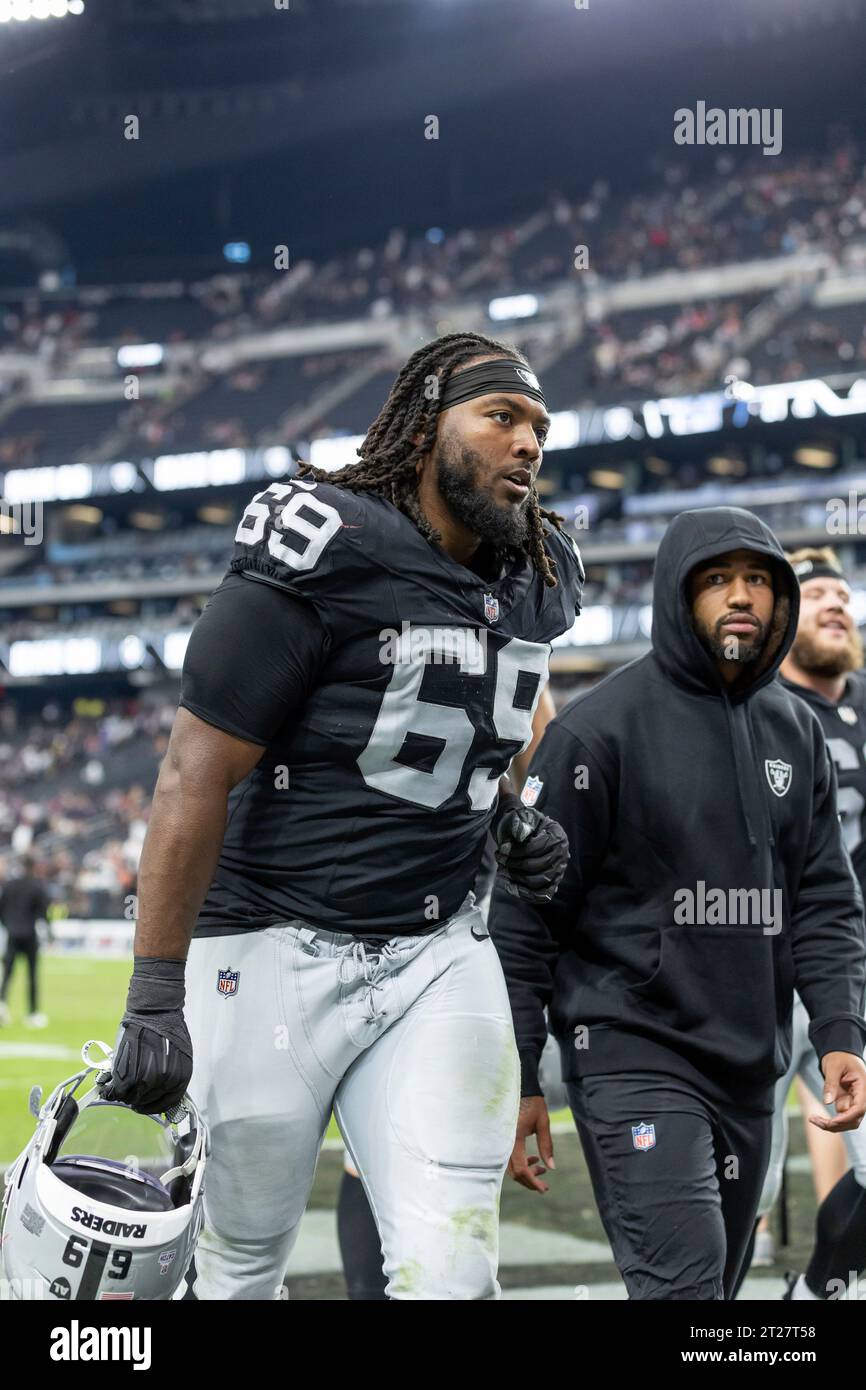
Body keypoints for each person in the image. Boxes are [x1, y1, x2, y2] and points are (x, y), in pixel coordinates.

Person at [100, 332, 585, 1301]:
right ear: (420, 434)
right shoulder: (328, 545)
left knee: (451, 1271)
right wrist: (156, 988)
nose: (527, 442)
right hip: (265, 947)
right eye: (499, 417)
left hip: (435, 946)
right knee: (238, 1269)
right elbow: (195, 770)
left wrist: (507, 808)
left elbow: (498, 692)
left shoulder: (534, 565)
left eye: (537, 425)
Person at [492, 506, 866, 1301]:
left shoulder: (797, 734)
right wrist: (523, 1072)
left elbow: (826, 900)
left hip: (750, 1064)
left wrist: (839, 1032)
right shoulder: (596, 733)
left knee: (713, 1299)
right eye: (717, 579)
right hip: (632, 1052)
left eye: (759, 580)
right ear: (675, 593)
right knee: (684, 1291)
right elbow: (526, 917)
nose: (741, 596)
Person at [337, 683, 559, 1300]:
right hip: (374, 904)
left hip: (460, 914)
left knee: (442, 1146)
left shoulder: (511, 648)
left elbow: (545, 771)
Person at [747, 547, 866, 1300]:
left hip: (843, 968)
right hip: (748, 970)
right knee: (745, 1173)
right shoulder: (750, 708)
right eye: (815, 592)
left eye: (842, 594)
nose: (834, 603)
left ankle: (822, 1285)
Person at [0, 855, 51, 1028]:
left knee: (7, 974)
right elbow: (44, 911)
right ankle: (33, 1013)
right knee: (32, 976)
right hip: (29, 935)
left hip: (12, 934)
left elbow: (2, 909)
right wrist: (49, 932)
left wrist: (9, 925)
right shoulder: (37, 886)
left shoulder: (9, 885)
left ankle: (2, 1005)